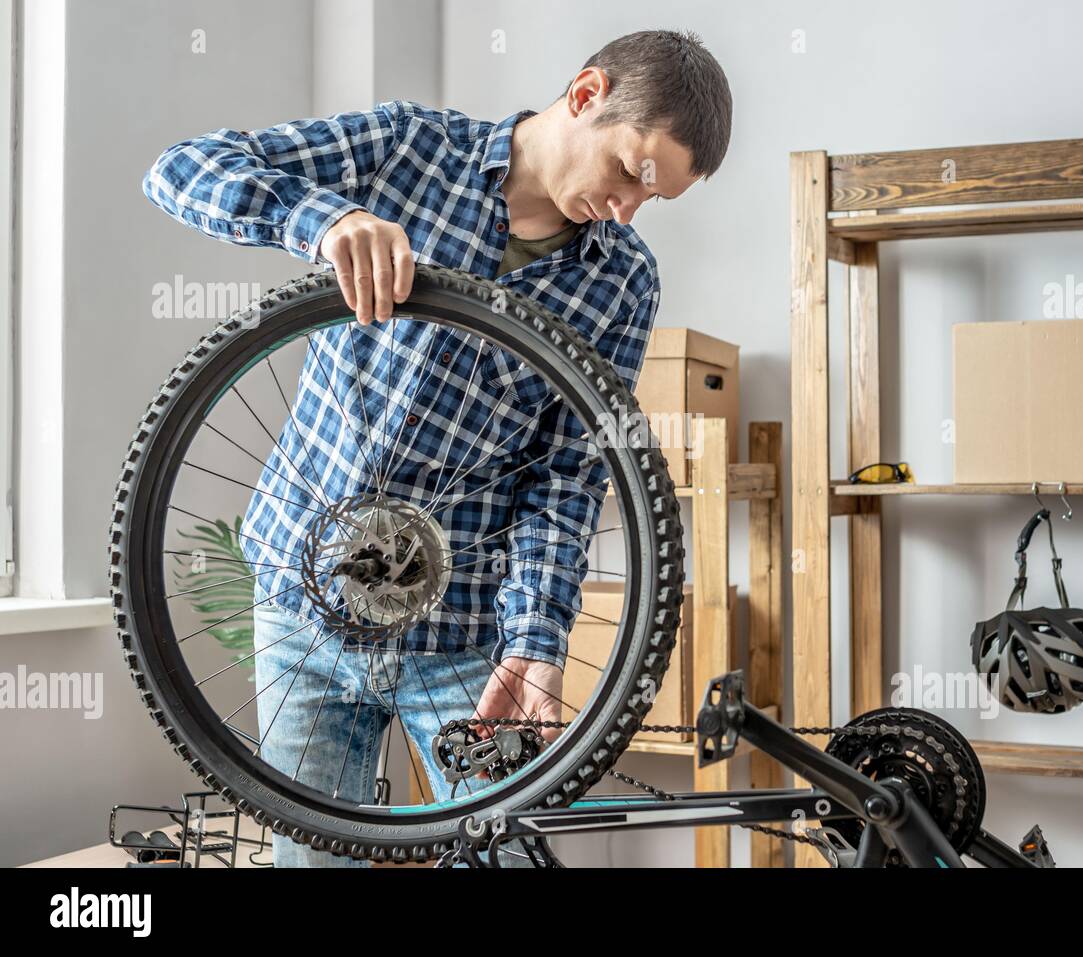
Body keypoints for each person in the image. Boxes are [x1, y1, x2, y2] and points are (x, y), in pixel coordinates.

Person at [142, 28, 732, 866]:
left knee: (511, 854)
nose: (629, 208)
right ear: (587, 93)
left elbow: (563, 475)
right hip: (302, 604)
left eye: (655, 199)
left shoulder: (623, 279)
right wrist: (327, 218)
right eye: (633, 172)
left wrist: (536, 642)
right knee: (313, 861)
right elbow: (180, 168)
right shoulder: (408, 148)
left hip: (459, 631)